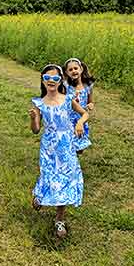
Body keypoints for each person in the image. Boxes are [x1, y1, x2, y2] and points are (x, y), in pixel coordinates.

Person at [29, 63, 89, 238]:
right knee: (49, 176)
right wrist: (33, 119)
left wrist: (79, 123)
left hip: (67, 147)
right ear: (43, 80)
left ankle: (59, 220)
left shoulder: (67, 98)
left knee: (66, 180)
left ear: (61, 80)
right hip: (49, 148)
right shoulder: (39, 103)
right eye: (47, 78)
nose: (51, 81)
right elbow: (35, 129)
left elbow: (85, 113)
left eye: (55, 78)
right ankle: (40, 194)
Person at [63, 58, 95, 154]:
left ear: (81, 69)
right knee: (68, 145)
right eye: (70, 70)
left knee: (80, 149)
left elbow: (91, 101)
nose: (73, 71)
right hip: (68, 118)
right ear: (67, 73)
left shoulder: (87, 86)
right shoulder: (66, 86)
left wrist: (90, 105)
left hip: (81, 118)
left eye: (75, 68)